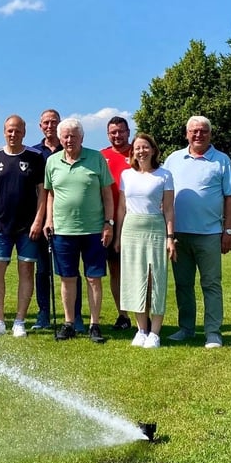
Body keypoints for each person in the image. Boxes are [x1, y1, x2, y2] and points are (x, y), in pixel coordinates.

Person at [164, 115, 231, 348]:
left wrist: (228, 230)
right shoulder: (173, 159)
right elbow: (163, 193)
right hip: (178, 234)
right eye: (194, 131)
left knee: (211, 284)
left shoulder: (222, 160)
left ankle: (213, 332)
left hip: (209, 235)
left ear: (210, 134)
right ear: (186, 134)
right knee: (183, 284)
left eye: (203, 131)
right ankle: (186, 328)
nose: (198, 135)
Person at [44, 118, 114, 344]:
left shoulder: (96, 159)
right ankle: (69, 323)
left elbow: (107, 194)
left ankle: (94, 325)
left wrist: (108, 223)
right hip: (63, 230)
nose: (69, 140)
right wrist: (48, 220)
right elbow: (50, 194)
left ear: (82, 138)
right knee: (67, 278)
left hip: (93, 229)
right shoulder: (53, 161)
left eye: (73, 136)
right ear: (59, 138)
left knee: (94, 278)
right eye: (65, 136)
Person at [0, 115, 47, 338]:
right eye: (10, 130)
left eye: (17, 130)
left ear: (24, 132)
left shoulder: (35, 156)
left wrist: (39, 220)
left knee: (26, 270)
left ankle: (19, 321)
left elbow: (43, 192)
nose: (13, 134)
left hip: (28, 227)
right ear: (4, 131)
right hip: (0, 225)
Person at [115, 133, 176, 348]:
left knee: (155, 280)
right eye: (137, 148)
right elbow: (121, 208)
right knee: (135, 279)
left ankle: (155, 333)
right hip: (131, 230)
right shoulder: (126, 175)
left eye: (145, 147)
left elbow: (168, 209)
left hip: (155, 229)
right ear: (133, 152)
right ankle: (141, 329)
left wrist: (170, 237)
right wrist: (118, 236)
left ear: (153, 150)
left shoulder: (164, 175)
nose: (141, 151)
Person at [30, 109, 85, 332]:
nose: (50, 125)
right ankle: (43, 313)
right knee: (42, 269)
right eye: (46, 122)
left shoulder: (70, 147)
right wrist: (40, 219)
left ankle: (76, 316)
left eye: (54, 122)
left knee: (70, 271)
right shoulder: (34, 152)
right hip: (41, 219)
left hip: (69, 222)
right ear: (40, 126)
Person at [100, 116, 133, 330]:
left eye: (121, 131)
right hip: (110, 220)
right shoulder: (101, 157)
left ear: (128, 132)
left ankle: (143, 314)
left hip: (135, 220)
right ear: (108, 134)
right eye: (113, 132)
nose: (117, 135)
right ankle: (123, 315)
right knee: (115, 269)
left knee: (139, 270)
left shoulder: (138, 152)